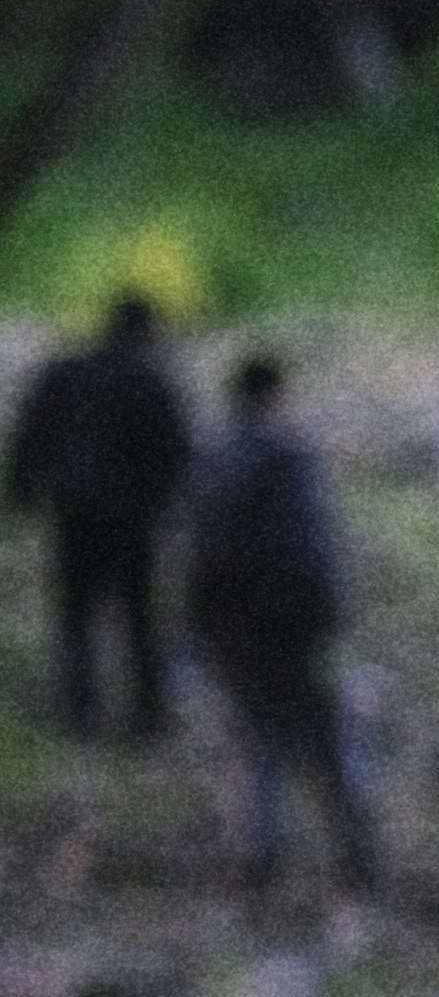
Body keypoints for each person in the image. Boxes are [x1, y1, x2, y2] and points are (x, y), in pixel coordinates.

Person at [185, 354, 374, 899]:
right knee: (332, 750)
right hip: (299, 632)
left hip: (235, 637)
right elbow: (313, 553)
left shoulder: (213, 462)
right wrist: (333, 621)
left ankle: (260, 865)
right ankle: (362, 864)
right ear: (276, 397)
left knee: (260, 746)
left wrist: (201, 631)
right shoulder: (292, 462)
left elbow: (197, 555)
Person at [6, 289, 187, 738]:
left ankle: (81, 714)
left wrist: (22, 493)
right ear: (145, 330)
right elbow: (174, 451)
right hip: (131, 519)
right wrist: (173, 510)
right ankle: (146, 717)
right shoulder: (149, 378)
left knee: (75, 614)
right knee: (138, 617)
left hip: (74, 513)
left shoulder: (67, 371)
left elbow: (32, 435)